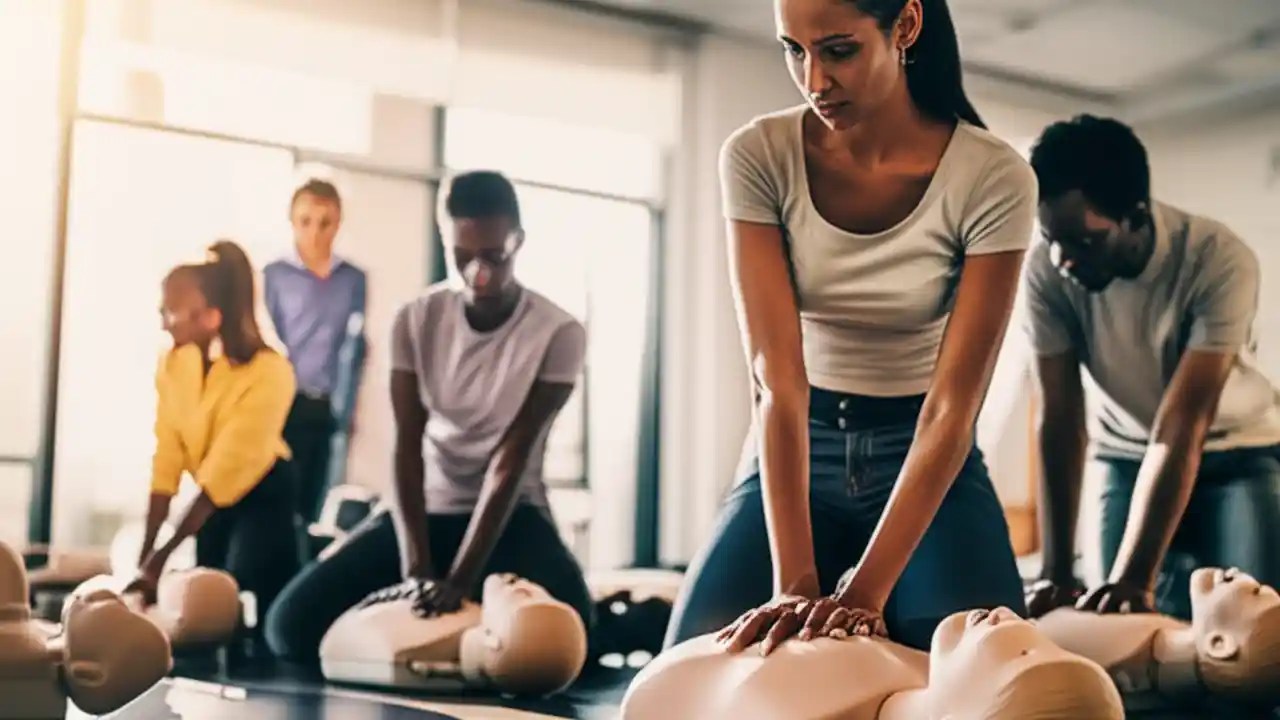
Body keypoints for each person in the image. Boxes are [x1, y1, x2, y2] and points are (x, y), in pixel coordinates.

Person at [663, 0, 1038, 655]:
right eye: (793, 51)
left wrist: (863, 595)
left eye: (837, 51)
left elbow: (952, 409)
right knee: (694, 662)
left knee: (978, 670)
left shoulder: (992, 176)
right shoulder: (757, 154)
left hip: (924, 451)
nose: (813, 82)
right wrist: (794, 586)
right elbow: (776, 381)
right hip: (797, 441)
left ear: (906, 26)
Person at [264, 171, 594, 662]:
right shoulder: (415, 319)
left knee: (576, 641)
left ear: (517, 242)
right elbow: (408, 444)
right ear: (446, 240)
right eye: (462, 255)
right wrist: (415, 566)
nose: (477, 273)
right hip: (421, 510)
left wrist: (460, 579)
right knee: (288, 628)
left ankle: (623, 612)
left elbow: (512, 458)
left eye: (493, 256)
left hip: (508, 516)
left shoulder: (559, 331)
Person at [1021, 115, 1280, 621]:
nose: (1064, 259)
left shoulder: (1217, 259)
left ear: (1136, 217)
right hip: (1123, 453)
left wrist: (1135, 578)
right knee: (1115, 623)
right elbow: (1059, 418)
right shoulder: (1046, 271)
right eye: (1052, 237)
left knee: (1250, 632)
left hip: (1237, 453)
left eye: (1084, 242)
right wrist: (1055, 571)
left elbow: (1184, 423)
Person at [131, 241, 301, 631]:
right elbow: (167, 457)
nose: (163, 323)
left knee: (238, 585)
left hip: (264, 493)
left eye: (171, 312)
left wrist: (161, 559)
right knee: (202, 595)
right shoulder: (173, 363)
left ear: (211, 316)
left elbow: (227, 467)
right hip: (210, 499)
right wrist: (145, 558)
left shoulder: (271, 373)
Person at [264, 179, 368, 526]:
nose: (315, 233)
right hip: (279, 404)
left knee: (315, 505)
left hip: (327, 408)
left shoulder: (352, 279)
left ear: (338, 224)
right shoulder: (274, 275)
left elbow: (354, 349)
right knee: (276, 499)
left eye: (325, 222)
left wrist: (351, 409)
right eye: (305, 221)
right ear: (292, 221)